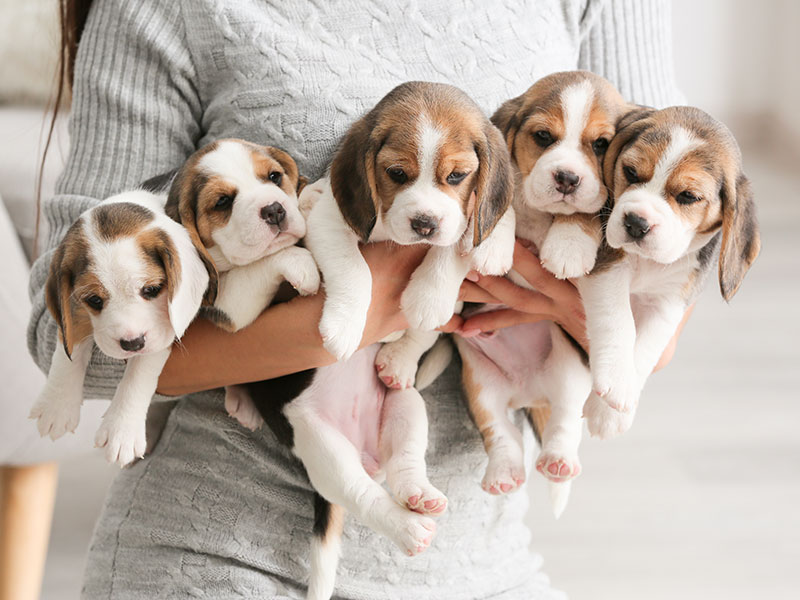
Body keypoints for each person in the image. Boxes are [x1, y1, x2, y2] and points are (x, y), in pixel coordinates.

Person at [28, 0, 686, 597]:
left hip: (480, 563)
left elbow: (665, 276)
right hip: (221, 551)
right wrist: (358, 306)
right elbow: (59, 332)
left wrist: (563, 304)